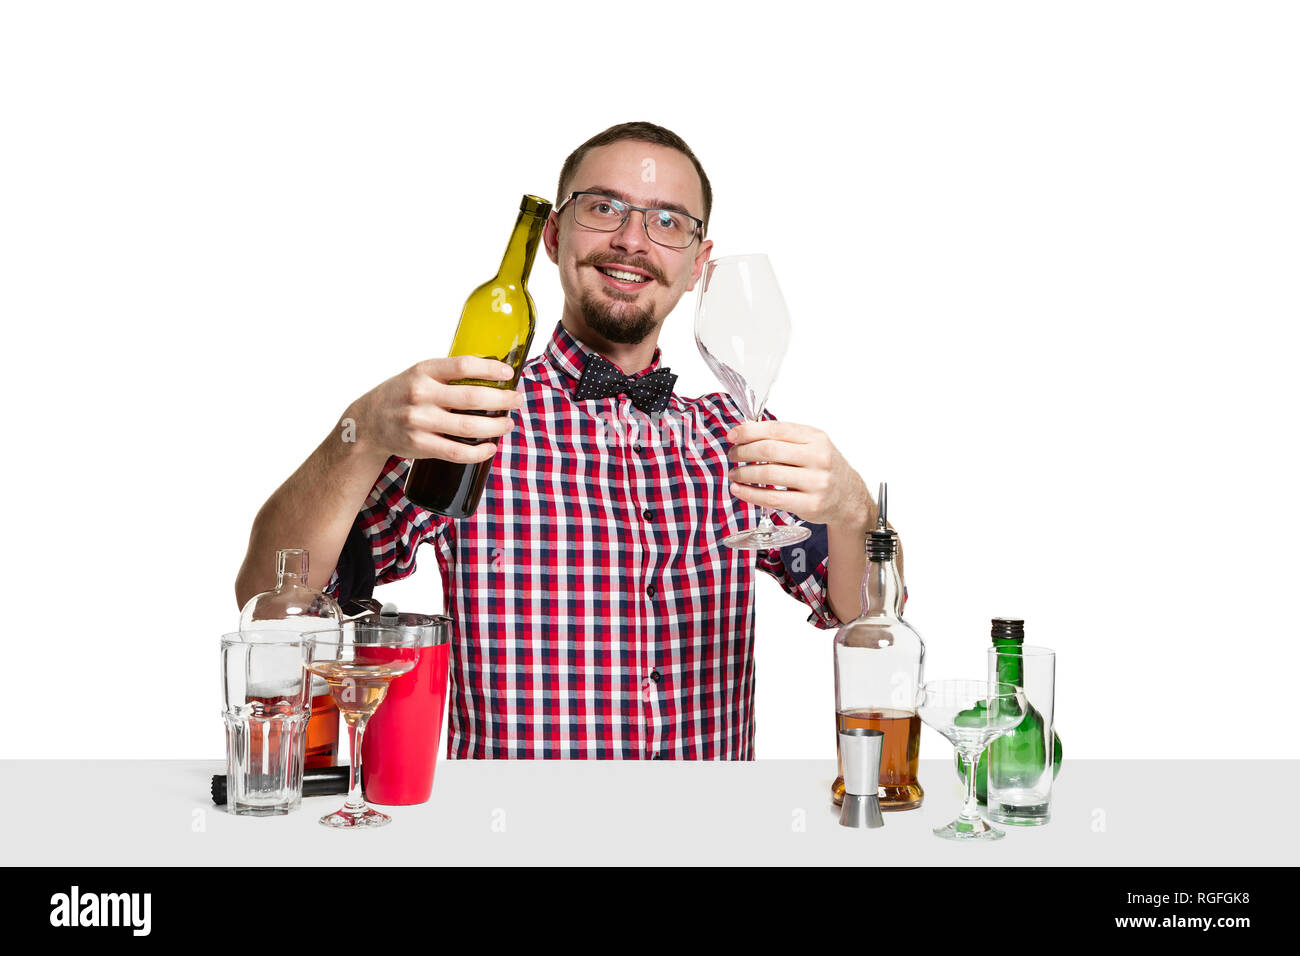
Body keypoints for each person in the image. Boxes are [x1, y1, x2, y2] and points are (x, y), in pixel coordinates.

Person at [235, 121, 885, 759]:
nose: (633, 240)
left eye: (667, 220)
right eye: (604, 208)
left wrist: (855, 510)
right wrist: (358, 434)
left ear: (698, 266)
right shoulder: (473, 412)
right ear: (553, 235)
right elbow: (269, 598)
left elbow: (869, 617)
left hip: (707, 829)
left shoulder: (741, 434)